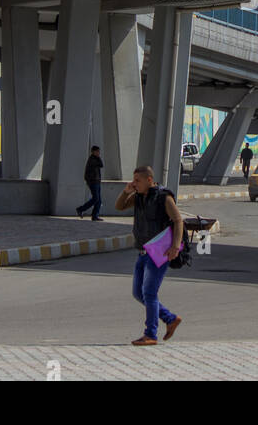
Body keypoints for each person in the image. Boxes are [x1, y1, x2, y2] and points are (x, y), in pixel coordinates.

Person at [115, 165, 185, 346]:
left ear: (149, 180)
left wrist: (175, 246)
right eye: (134, 180)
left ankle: (151, 334)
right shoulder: (138, 197)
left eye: (138, 180)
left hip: (159, 251)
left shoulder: (163, 197)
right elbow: (119, 206)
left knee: (149, 293)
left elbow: (178, 220)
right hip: (143, 251)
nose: (134, 183)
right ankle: (170, 319)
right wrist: (126, 191)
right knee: (138, 292)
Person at [76, 145, 104, 221]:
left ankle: (94, 216)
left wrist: (98, 157)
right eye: (97, 151)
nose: (99, 153)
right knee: (96, 198)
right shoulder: (92, 160)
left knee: (98, 200)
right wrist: (98, 157)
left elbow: (101, 165)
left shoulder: (95, 158)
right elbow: (101, 165)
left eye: (99, 151)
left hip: (97, 181)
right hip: (93, 182)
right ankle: (81, 209)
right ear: (93, 152)